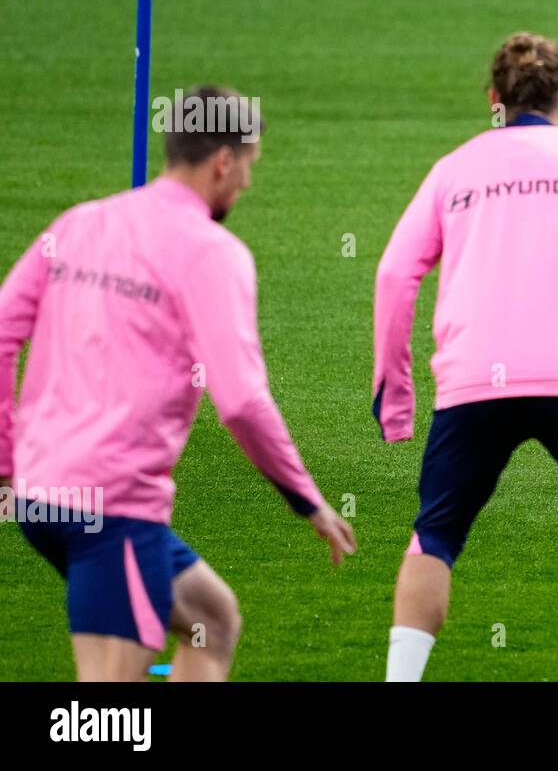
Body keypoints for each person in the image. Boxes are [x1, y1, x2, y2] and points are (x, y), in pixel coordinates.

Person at [0, 85, 355, 681]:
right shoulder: (212, 253)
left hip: (43, 493)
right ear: (224, 160)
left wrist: (8, 455)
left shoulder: (80, 223)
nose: (247, 182)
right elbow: (241, 402)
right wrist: (307, 498)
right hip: (111, 508)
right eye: (249, 165)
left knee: (210, 621)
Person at [375, 33, 558, 681]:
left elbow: (394, 274)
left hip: (472, 387)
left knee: (434, 537)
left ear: (494, 100)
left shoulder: (452, 169)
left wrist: (395, 397)